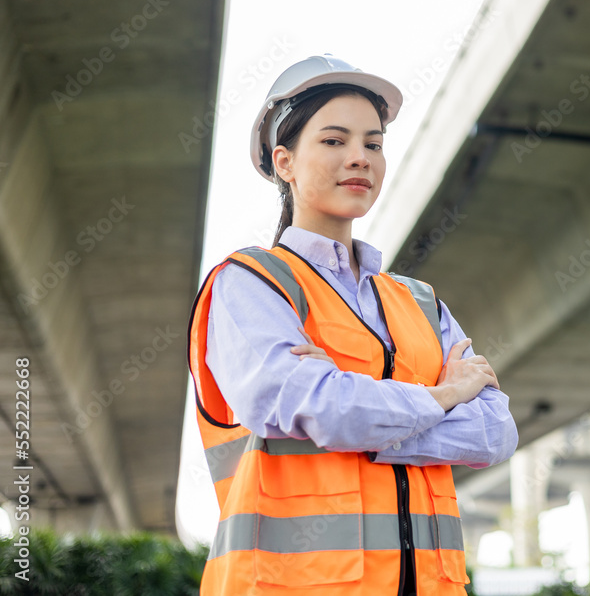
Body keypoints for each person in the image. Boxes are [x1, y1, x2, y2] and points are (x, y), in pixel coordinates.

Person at [187, 54, 518, 595]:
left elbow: (495, 433)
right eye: (334, 141)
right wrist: (442, 396)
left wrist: (359, 418)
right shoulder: (250, 283)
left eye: (373, 143)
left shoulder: (420, 301)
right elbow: (313, 406)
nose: (360, 158)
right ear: (285, 162)